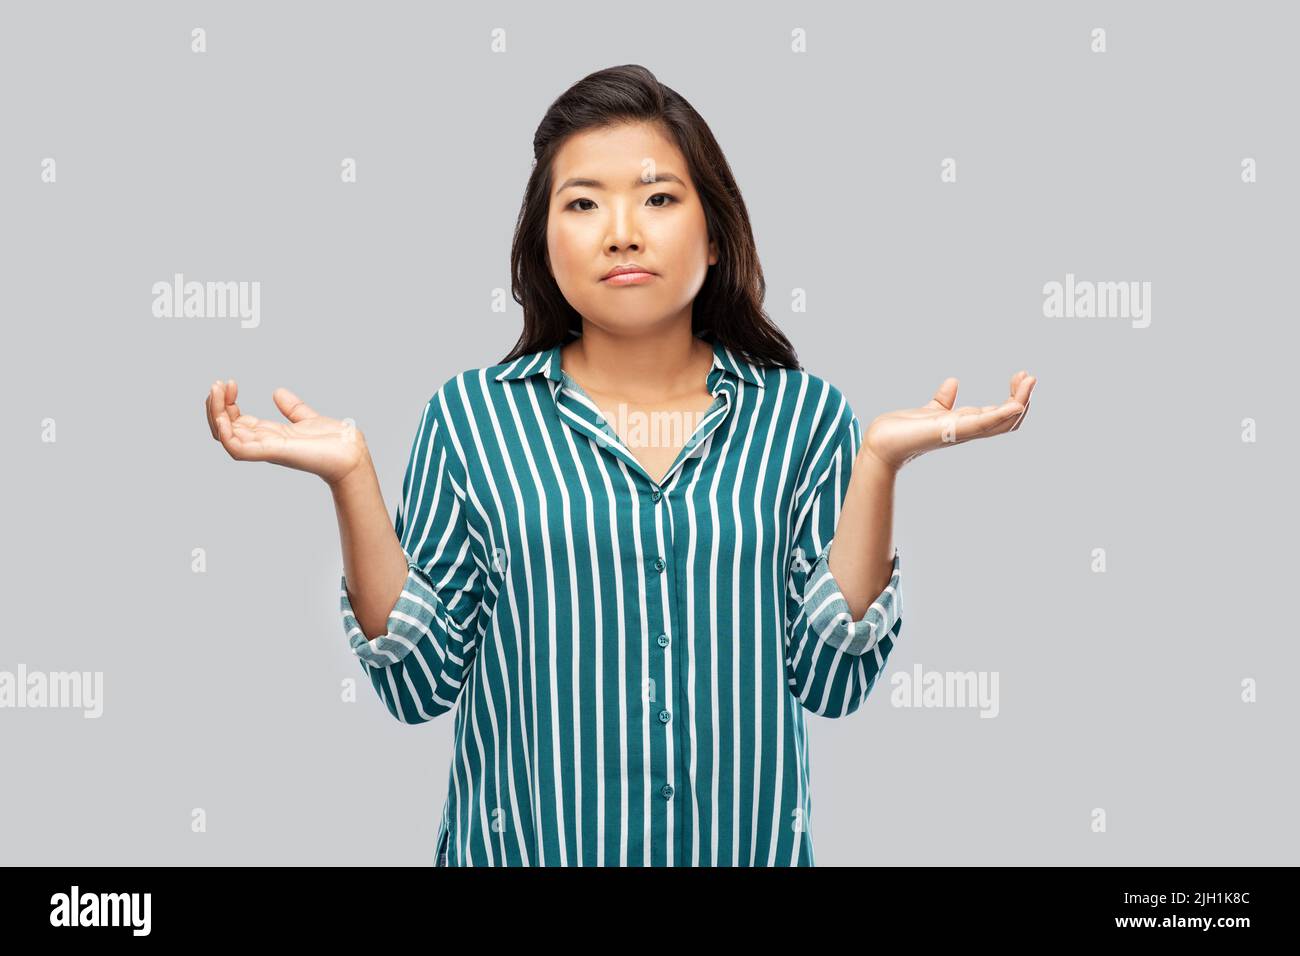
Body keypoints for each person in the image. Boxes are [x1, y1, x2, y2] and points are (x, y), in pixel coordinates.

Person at [203, 64, 1036, 866]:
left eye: (659, 198)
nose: (622, 230)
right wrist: (351, 478)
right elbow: (417, 685)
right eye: (584, 203)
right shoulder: (471, 418)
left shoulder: (803, 416)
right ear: (545, 245)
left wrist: (881, 464)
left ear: (715, 236)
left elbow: (831, 679)